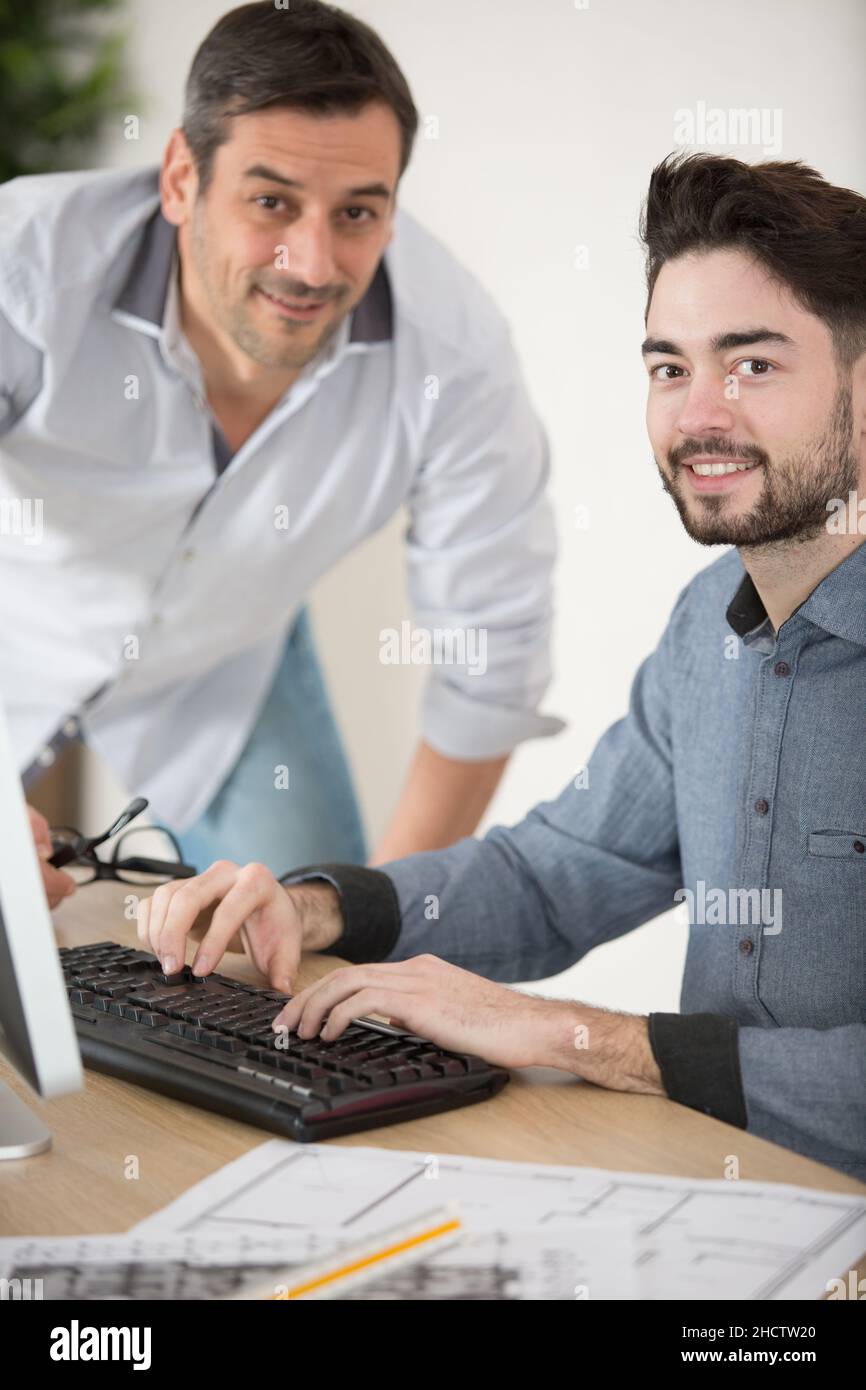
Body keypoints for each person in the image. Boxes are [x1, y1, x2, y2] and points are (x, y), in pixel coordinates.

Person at [134, 152, 866, 1182]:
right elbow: (553, 874)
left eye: (751, 364)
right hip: (722, 1199)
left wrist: (573, 1035)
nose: (697, 414)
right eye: (668, 367)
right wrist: (317, 908)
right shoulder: (705, 630)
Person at [3, 0, 561, 899]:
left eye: (357, 213)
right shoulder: (25, 265)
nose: (311, 263)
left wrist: (364, 932)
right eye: (271, 201)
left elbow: (490, 667)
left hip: (229, 647)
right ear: (182, 177)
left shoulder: (454, 356)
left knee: (306, 992)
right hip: (18, 612)